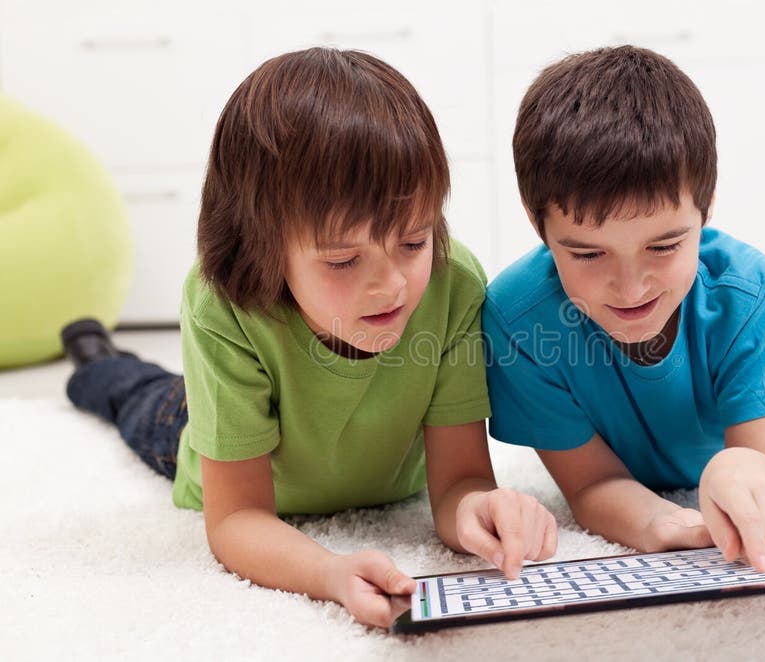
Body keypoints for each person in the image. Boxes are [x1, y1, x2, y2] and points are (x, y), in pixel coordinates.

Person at [61, 47, 557, 629]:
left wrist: (483, 508)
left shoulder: (453, 284)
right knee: (137, 393)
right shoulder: (224, 305)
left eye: (414, 242)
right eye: (344, 261)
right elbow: (236, 518)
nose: (392, 285)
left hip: (356, 462)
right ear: (262, 248)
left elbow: (460, 481)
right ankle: (95, 356)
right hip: (194, 433)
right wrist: (329, 573)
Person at [483, 45, 765, 574]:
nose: (630, 285)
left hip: (747, 312)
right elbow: (592, 483)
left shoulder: (750, 292)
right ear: (537, 223)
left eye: (663, 246)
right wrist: (667, 524)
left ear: (705, 209)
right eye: (588, 253)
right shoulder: (516, 320)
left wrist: (741, 466)